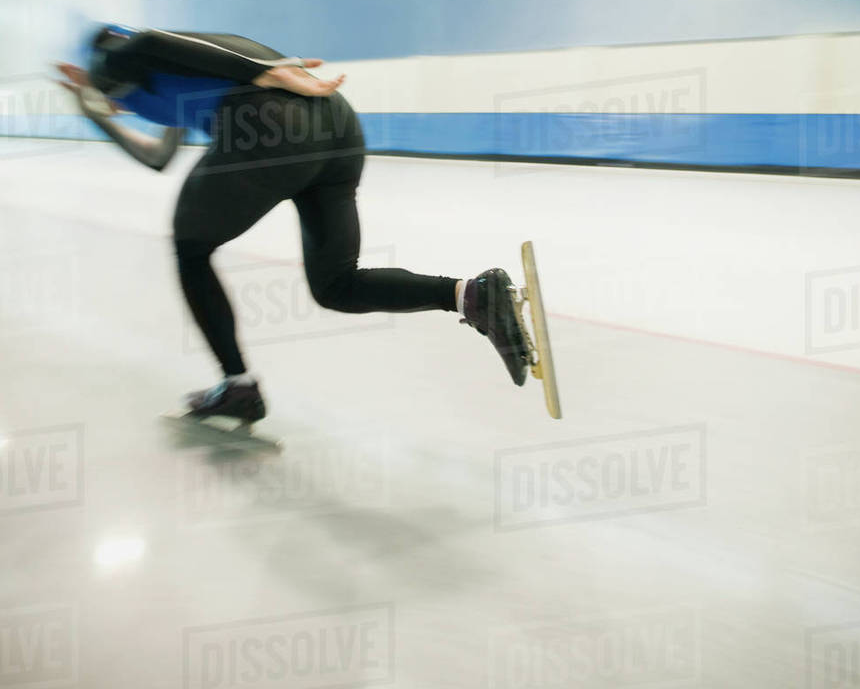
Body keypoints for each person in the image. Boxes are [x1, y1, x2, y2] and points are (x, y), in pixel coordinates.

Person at [57, 24, 529, 424]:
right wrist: (91, 112)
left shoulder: (116, 61)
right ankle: (471, 294)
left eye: (108, 100)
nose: (114, 106)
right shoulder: (181, 78)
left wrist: (262, 72)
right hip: (335, 128)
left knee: (190, 249)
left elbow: (145, 42)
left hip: (269, 124)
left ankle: (239, 386)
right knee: (336, 286)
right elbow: (157, 156)